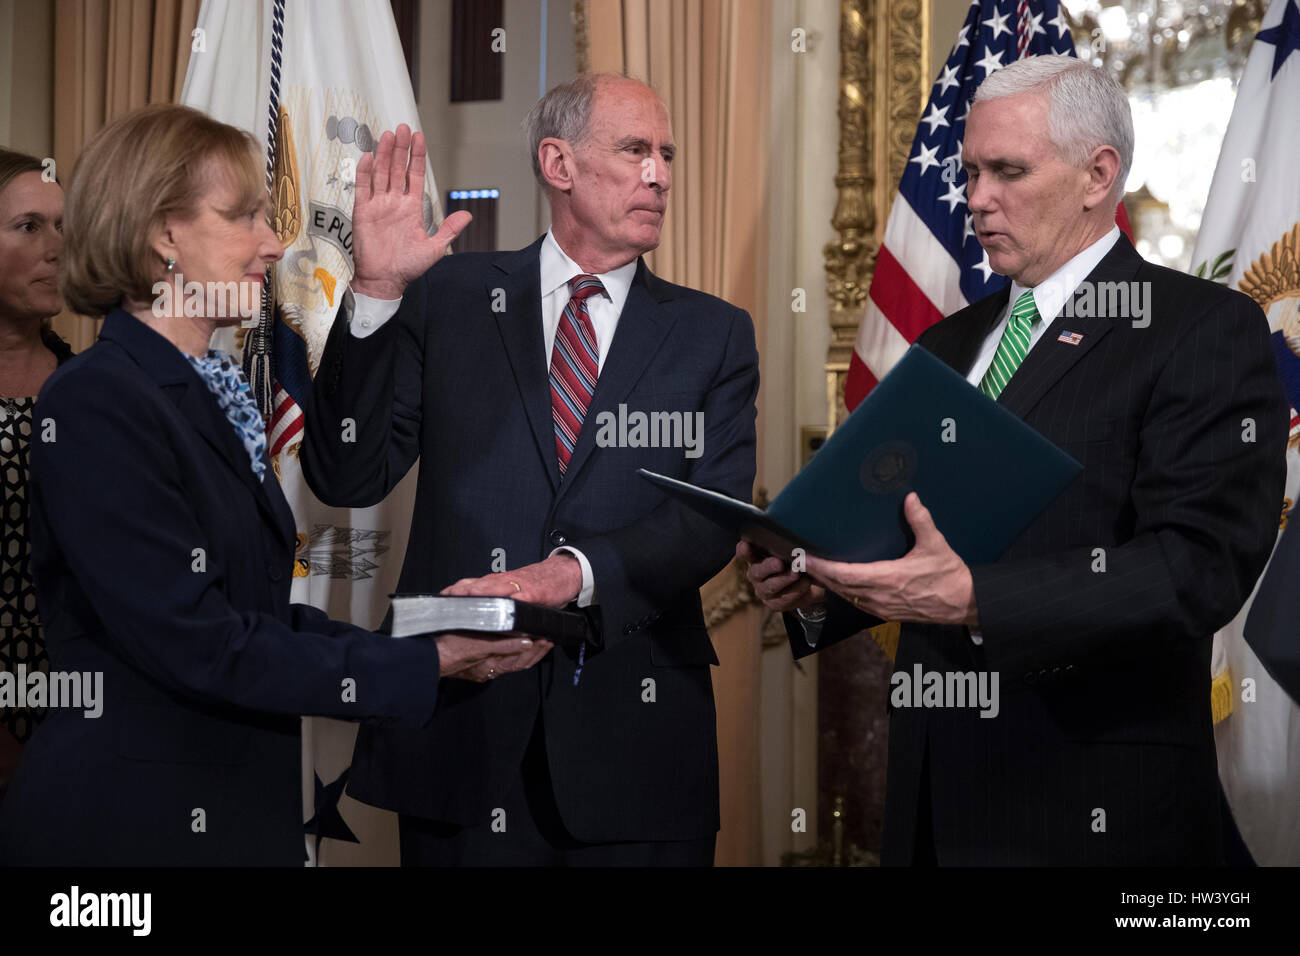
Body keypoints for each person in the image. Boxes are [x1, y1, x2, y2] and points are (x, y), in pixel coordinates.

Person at [744, 56, 1288, 865]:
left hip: (1091, 800)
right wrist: (822, 580)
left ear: (1097, 175)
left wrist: (977, 599)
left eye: (1008, 171)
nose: (977, 198)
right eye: (969, 172)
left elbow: (1197, 567)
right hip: (935, 796)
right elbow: (915, 540)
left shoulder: (1201, 329)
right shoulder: (946, 342)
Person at [0, 104, 548, 865]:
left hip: (225, 806)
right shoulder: (97, 399)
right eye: (242, 216)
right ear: (164, 234)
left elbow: (255, 615)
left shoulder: (207, 387)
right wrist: (423, 662)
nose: (274, 241)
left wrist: (431, 639)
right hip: (131, 824)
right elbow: (201, 642)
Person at [302, 73, 759, 865]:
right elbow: (345, 475)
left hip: (637, 745)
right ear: (559, 163)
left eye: (667, 155)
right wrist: (374, 289)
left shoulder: (713, 334)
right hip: (461, 733)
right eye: (635, 150)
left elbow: (711, 516)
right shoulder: (444, 297)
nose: (661, 175)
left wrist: (568, 574)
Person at [0, 148, 73, 803]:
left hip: (75, 712)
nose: (56, 249)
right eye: (29, 227)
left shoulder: (91, 392)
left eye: (63, 228)